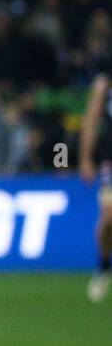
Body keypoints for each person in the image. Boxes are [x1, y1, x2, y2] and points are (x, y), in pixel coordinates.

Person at [78, 62, 112, 302]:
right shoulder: (104, 83)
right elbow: (90, 122)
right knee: (109, 217)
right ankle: (103, 265)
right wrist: (85, 158)